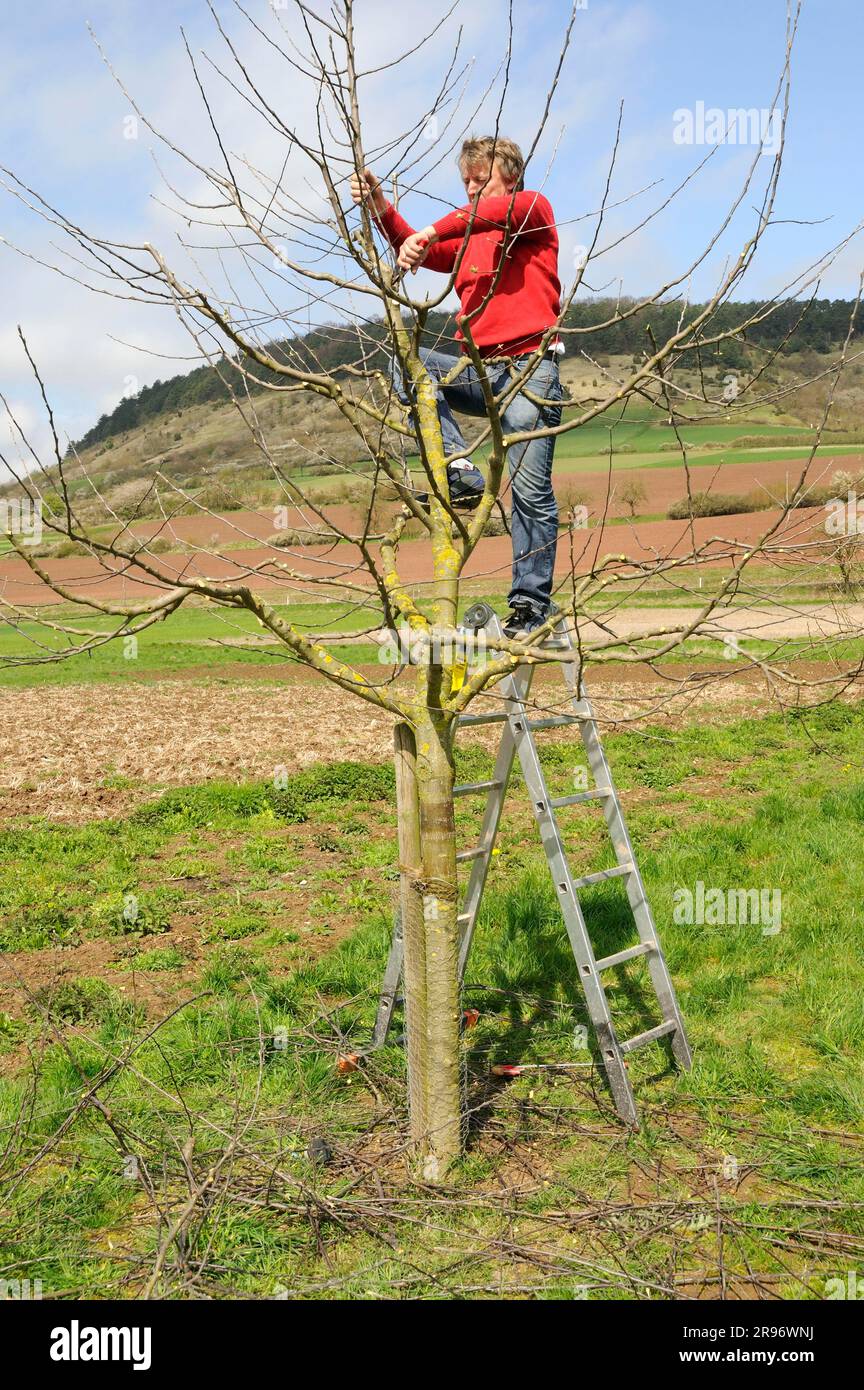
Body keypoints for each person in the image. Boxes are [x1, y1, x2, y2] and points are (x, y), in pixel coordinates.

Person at [351, 136, 564, 638]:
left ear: (510, 176)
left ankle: (531, 605)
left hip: (529, 373)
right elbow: (425, 248)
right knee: (409, 361)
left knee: (530, 492)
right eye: (465, 181)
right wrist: (383, 209)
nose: (470, 189)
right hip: (482, 371)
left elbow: (463, 223)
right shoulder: (469, 238)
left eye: (479, 179)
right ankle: (458, 469)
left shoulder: (532, 211)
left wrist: (425, 230)